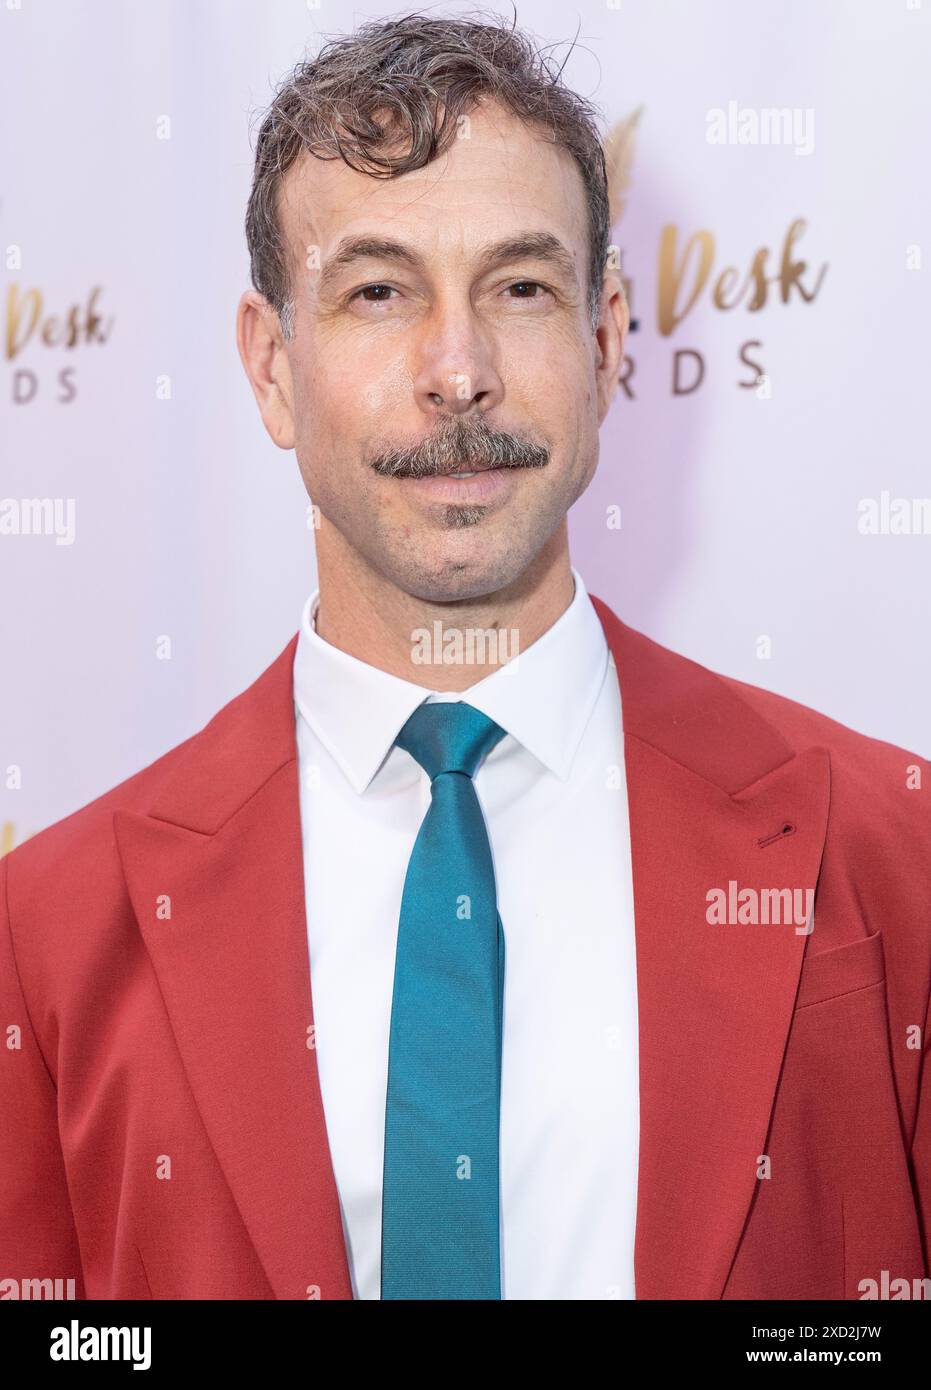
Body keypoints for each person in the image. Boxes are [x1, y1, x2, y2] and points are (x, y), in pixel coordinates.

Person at [1, 13, 928, 1302]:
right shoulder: (50, 929)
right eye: (379, 290)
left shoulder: (889, 848)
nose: (459, 372)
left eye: (521, 287)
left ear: (607, 344)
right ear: (272, 370)